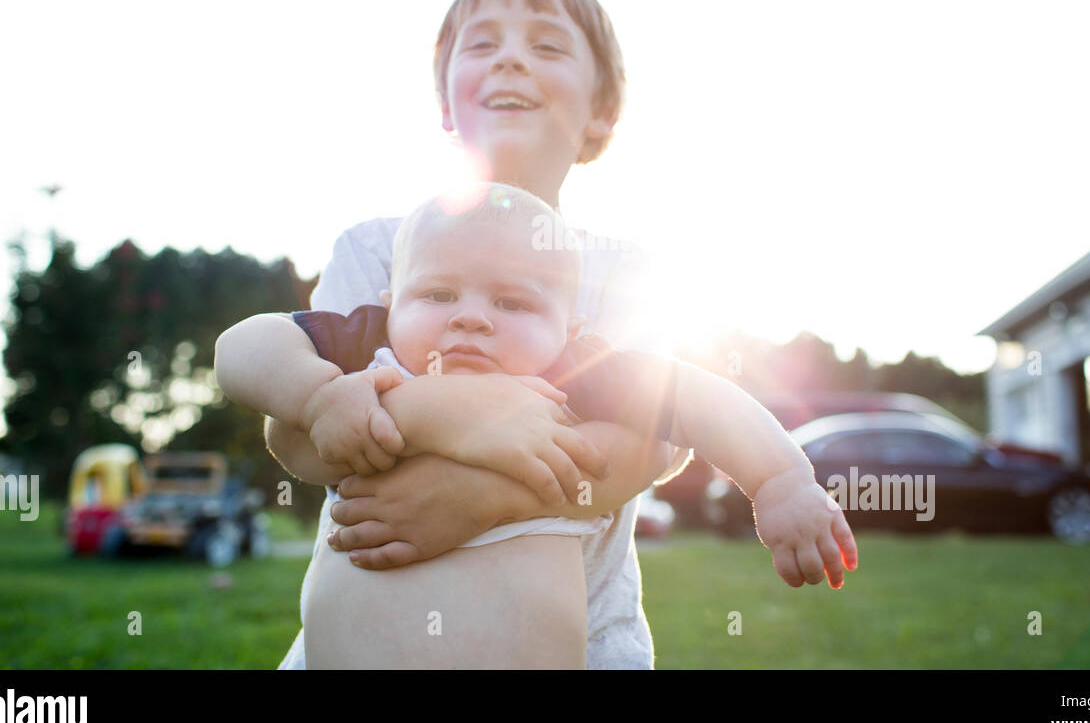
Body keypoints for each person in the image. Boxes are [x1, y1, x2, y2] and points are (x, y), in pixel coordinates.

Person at [230, 0, 856, 669]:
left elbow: (660, 429)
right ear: (445, 102)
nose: (511, 60)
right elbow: (293, 427)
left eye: (548, 46)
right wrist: (333, 400)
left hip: (582, 639)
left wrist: (780, 479)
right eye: (483, 44)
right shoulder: (379, 252)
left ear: (601, 112)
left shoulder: (620, 275)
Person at [217, 185, 855, 667]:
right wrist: (318, 395)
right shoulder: (365, 358)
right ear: (390, 305)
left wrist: (781, 481)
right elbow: (243, 346)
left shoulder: (577, 375)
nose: (471, 318)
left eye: (512, 302)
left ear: (569, 330)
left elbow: (699, 397)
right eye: (438, 295)